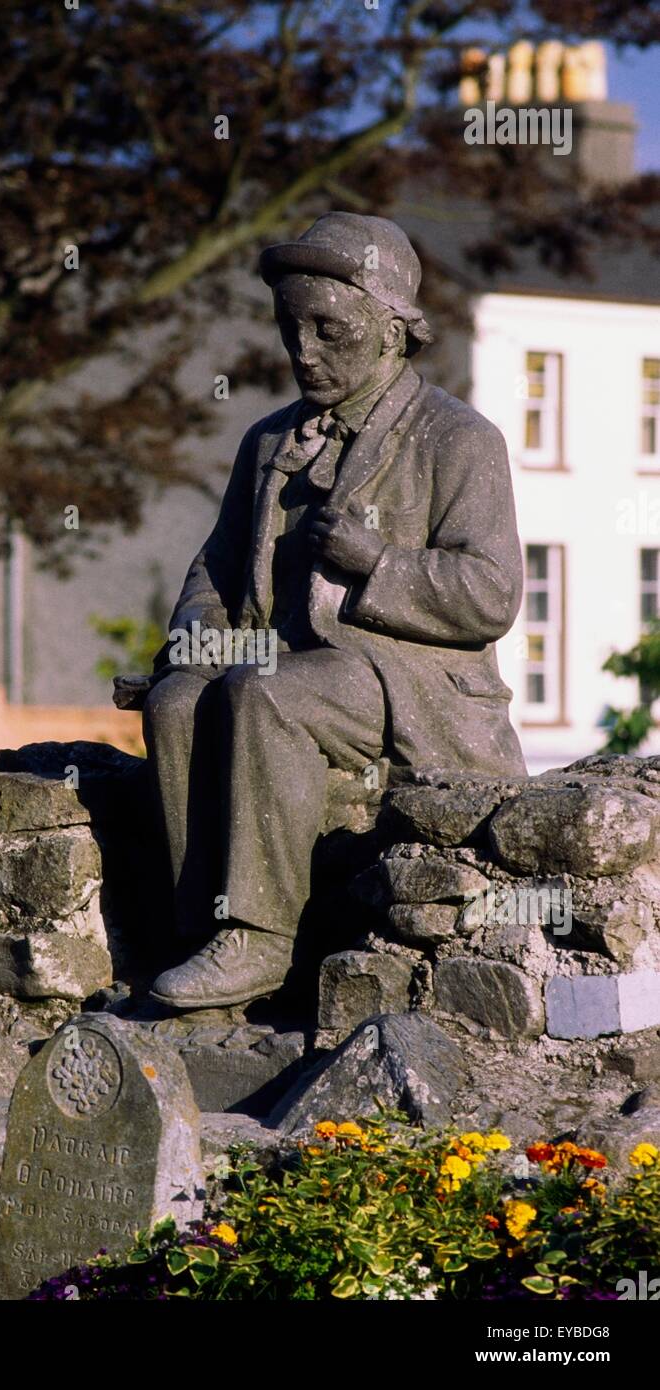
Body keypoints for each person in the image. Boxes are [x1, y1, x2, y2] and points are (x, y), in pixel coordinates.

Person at [136, 212, 525, 1010]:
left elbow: (491, 594)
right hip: (287, 657)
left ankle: (259, 938)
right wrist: (196, 630)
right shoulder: (268, 441)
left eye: (330, 330)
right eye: (291, 329)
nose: (304, 352)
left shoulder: (458, 438)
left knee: (267, 695)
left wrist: (378, 565)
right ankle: (197, 933)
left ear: (392, 331)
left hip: (406, 676)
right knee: (178, 703)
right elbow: (212, 566)